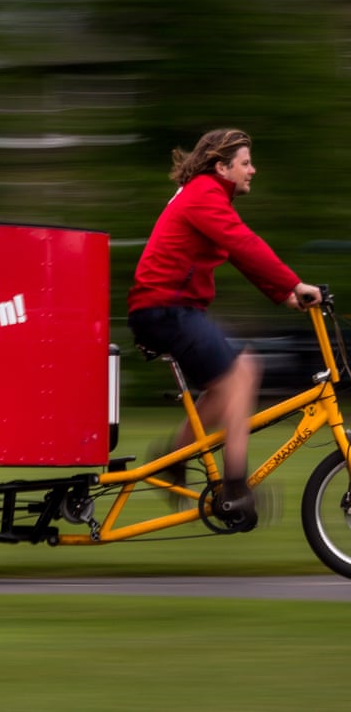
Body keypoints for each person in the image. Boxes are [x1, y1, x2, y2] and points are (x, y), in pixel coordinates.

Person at [127, 128, 319, 527]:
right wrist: (293, 283)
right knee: (240, 377)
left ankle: (174, 460)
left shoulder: (207, 196)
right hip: (166, 309)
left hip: (172, 308)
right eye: (246, 163)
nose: (253, 170)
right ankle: (234, 487)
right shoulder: (204, 195)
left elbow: (237, 252)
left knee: (239, 372)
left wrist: (283, 293)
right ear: (222, 166)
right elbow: (244, 243)